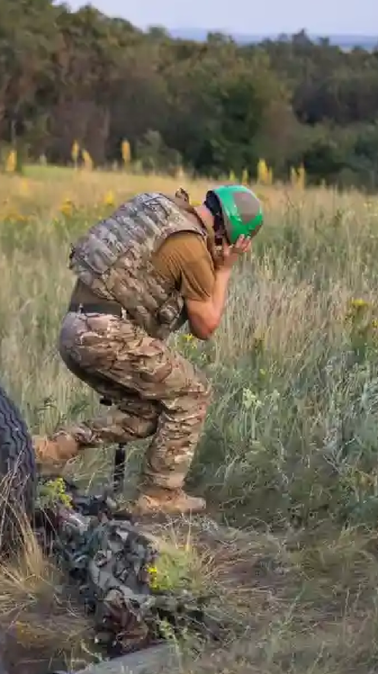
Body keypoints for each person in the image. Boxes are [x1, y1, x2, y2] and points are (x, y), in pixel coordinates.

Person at [32, 185, 264, 515]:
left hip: (76, 328)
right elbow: (205, 326)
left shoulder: (159, 206)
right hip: (108, 332)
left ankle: (50, 451)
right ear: (230, 235)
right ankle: (161, 493)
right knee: (193, 393)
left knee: (146, 414)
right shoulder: (193, 250)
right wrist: (225, 269)